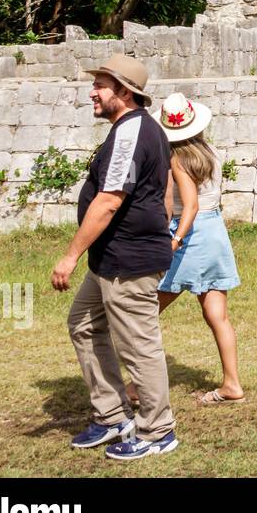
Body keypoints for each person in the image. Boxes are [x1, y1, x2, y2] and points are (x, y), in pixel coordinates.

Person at [51, 53, 179, 460]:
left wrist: (70, 256)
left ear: (124, 93)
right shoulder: (139, 129)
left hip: (129, 261)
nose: (93, 92)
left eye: (101, 85)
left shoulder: (132, 132)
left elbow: (108, 200)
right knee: (84, 324)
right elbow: (166, 182)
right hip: (112, 260)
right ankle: (111, 415)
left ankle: (157, 430)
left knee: (139, 346)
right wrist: (164, 217)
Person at [148, 92, 245, 405]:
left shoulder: (176, 160)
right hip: (215, 229)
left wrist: (173, 239)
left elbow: (185, 206)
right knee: (217, 314)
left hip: (190, 234)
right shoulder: (210, 153)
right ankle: (232, 383)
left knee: (146, 311)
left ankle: (140, 385)